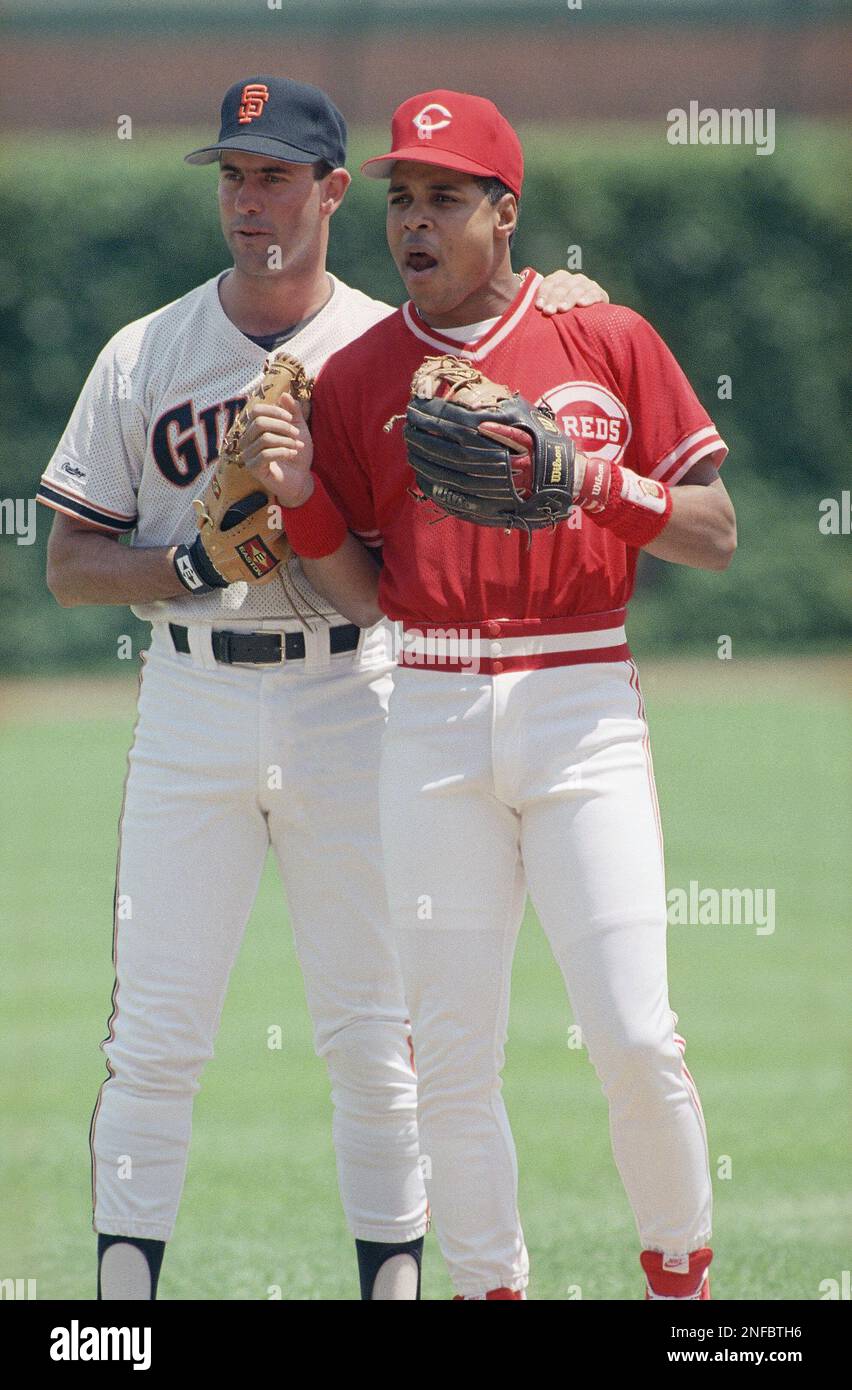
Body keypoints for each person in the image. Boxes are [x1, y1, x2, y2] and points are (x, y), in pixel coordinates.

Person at [38, 75, 609, 1301]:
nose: (251, 201)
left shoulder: (389, 346)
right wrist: (186, 561)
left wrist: (569, 296)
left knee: (373, 1041)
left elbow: (513, 347)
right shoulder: (145, 352)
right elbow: (71, 564)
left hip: (357, 698)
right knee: (153, 1041)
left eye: (276, 176)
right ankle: (117, 1319)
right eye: (234, 176)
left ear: (334, 190)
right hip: (189, 705)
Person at [242, 89, 737, 1301]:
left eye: (446, 199)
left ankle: (683, 1288)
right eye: (402, 200)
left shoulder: (604, 336)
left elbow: (716, 533)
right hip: (430, 708)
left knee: (632, 1032)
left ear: (505, 214)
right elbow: (358, 593)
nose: (416, 222)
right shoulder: (357, 379)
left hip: (581, 703)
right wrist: (301, 494)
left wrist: (593, 478)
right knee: (450, 1060)